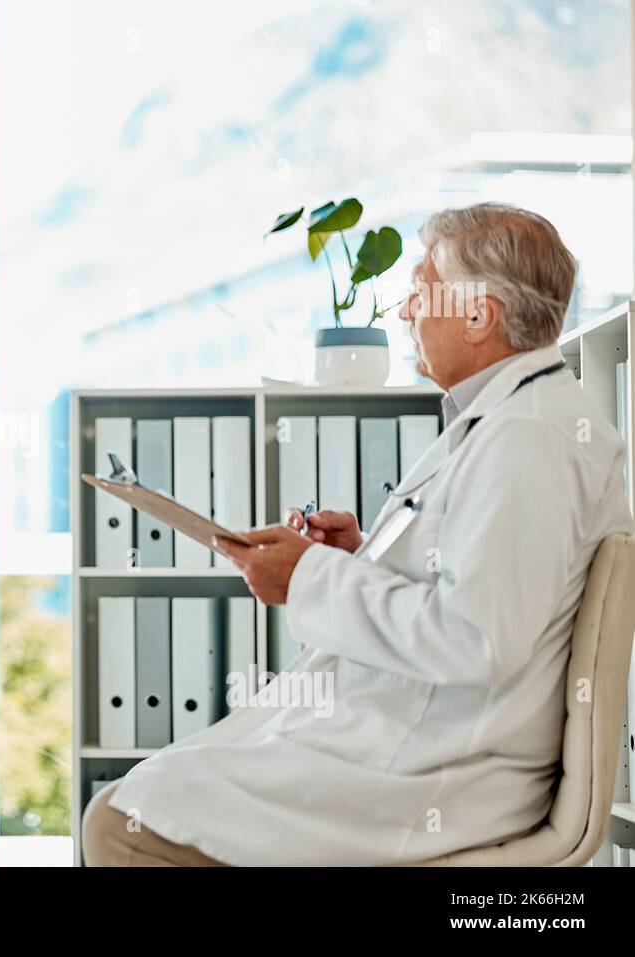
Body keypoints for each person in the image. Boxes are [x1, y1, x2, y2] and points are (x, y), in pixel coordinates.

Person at [82, 202, 633, 866]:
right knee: (150, 794)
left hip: (440, 775)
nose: (406, 315)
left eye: (420, 295)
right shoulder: (513, 420)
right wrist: (361, 555)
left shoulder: (528, 438)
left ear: (478, 316)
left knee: (124, 821)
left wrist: (308, 577)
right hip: (426, 744)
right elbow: (476, 584)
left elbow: (477, 637)